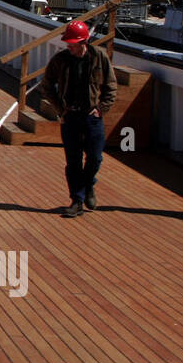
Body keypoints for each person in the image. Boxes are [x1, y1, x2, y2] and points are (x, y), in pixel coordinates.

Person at [41, 21, 117, 217]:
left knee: (95, 157)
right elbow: (47, 85)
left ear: (85, 42)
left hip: (92, 115)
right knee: (73, 161)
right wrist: (60, 109)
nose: (70, 48)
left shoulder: (99, 57)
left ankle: (88, 184)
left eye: (74, 44)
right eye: (69, 44)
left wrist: (101, 109)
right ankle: (77, 200)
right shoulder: (61, 60)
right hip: (71, 116)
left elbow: (110, 85)